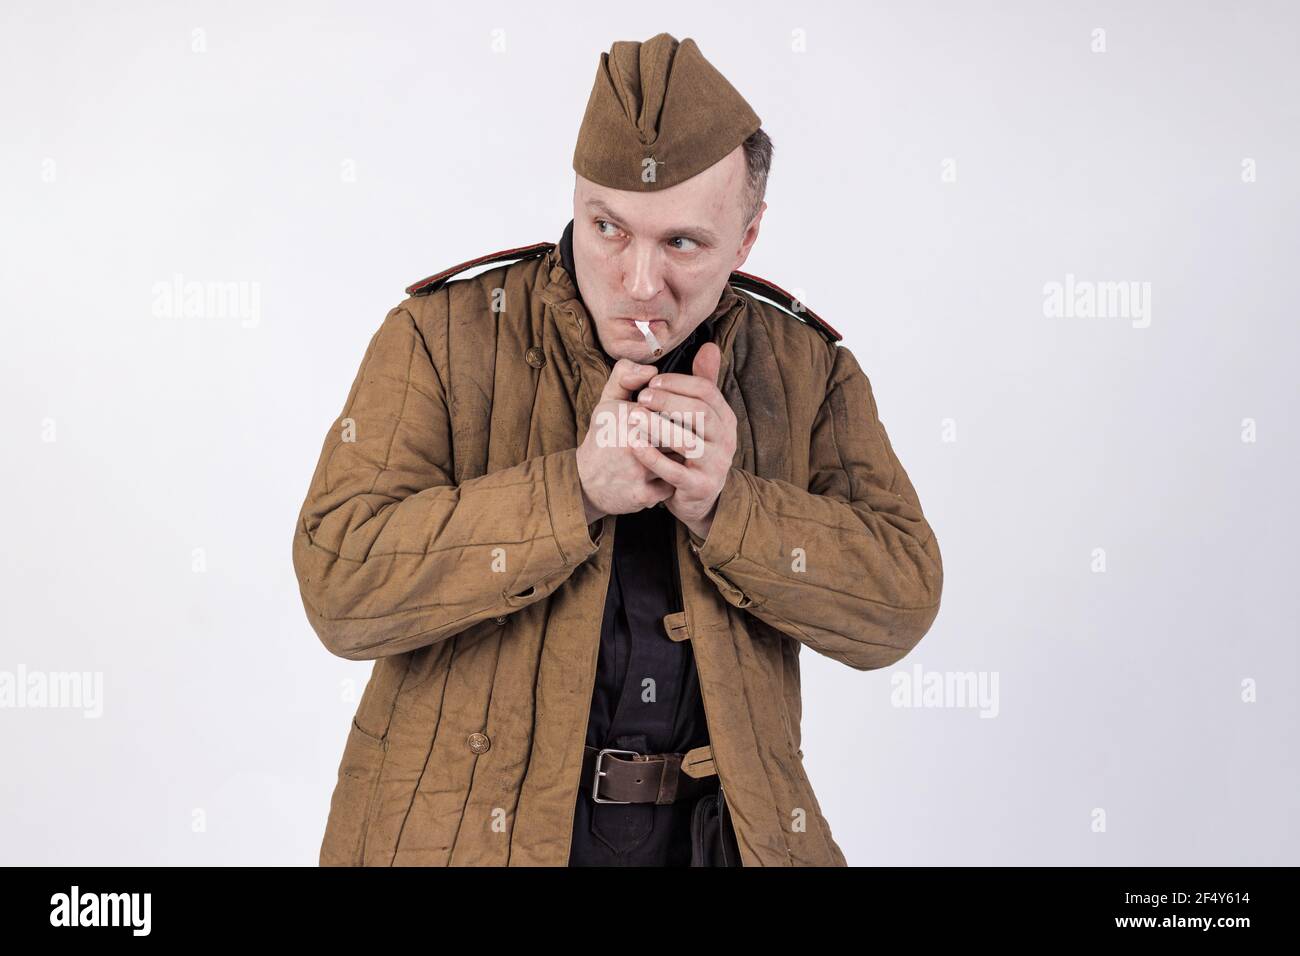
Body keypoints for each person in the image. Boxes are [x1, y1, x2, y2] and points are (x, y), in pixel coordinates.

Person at [293, 32, 943, 867]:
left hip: (719, 843)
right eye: (607, 228)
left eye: (682, 243)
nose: (639, 282)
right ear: (576, 198)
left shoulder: (805, 368)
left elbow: (900, 602)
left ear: (746, 240)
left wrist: (728, 508)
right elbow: (340, 583)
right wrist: (574, 493)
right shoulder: (438, 336)